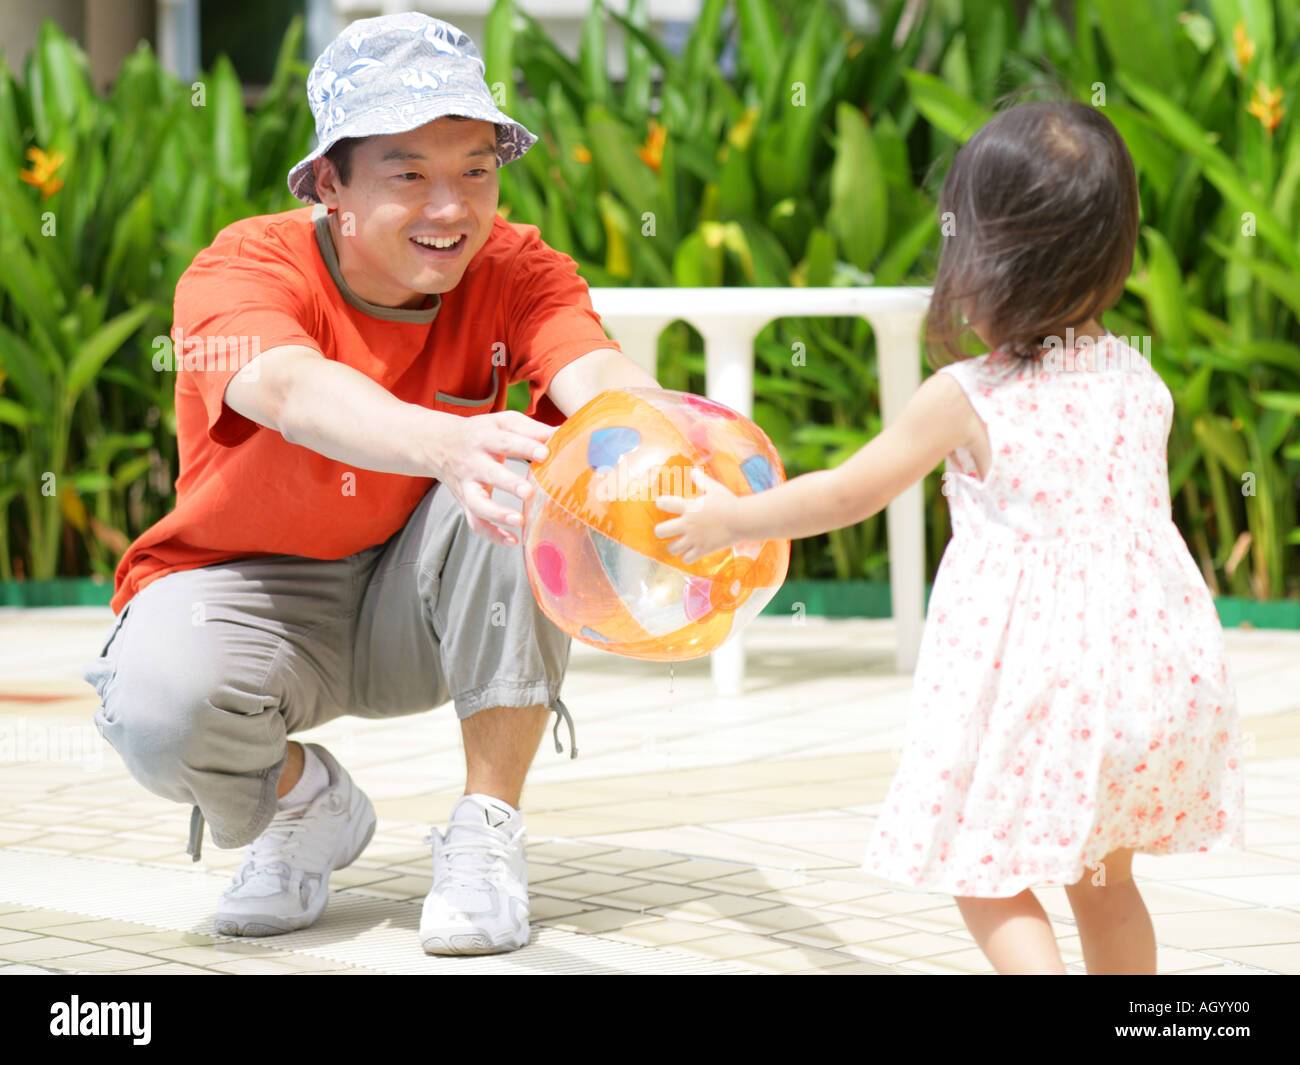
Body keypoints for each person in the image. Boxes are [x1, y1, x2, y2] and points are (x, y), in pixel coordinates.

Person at [82, 13, 658, 956]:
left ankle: (485, 831)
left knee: (528, 473)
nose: (452, 206)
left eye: (476, 168)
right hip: (256, 594)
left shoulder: (516, 266)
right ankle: (302, 803)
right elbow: (289, 386)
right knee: (152, 708)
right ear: (331, 186)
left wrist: (679, 447)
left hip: (416, 601)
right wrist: (449, 442)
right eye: (409, 173)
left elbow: (594, 375)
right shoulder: (243, 265)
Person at [654, 100, 1245, 975]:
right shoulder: (1138, 378)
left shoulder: (970, 395)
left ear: (992, 260)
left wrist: (728, 520)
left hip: (1034, 693)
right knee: (1105, 882)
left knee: (985, 871)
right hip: (1143, 684)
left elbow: (849, 492)